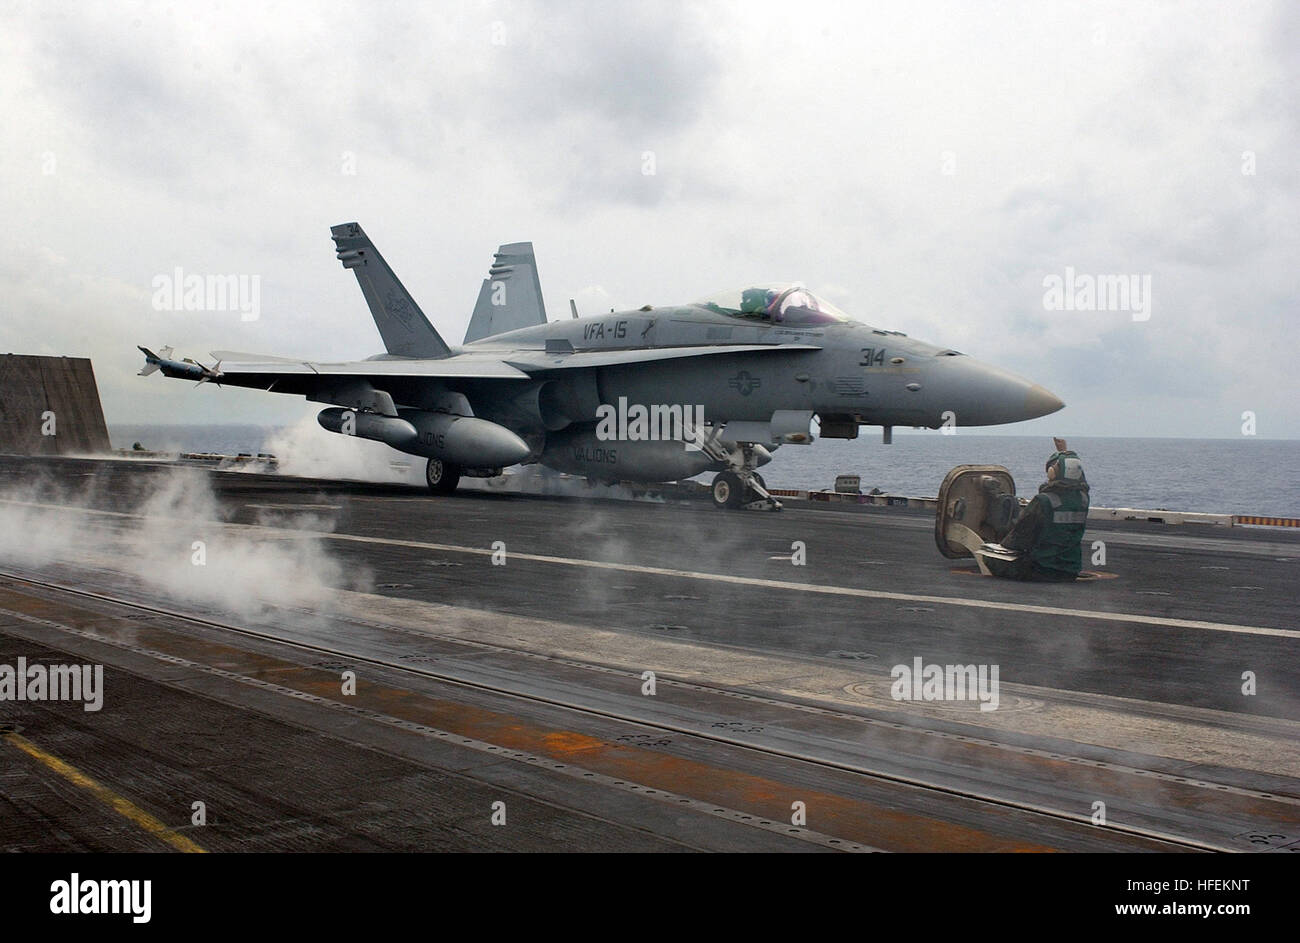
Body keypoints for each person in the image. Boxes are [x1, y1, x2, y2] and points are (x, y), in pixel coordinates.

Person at [985, 449, 1090, 581]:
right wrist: (1066, 453)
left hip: (1040, 569)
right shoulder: (1083, 499)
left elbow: (1018, 539)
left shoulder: (1043, 501)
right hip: (1070, 570)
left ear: (1052, 472)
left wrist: (1001, 543)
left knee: (989, 557)